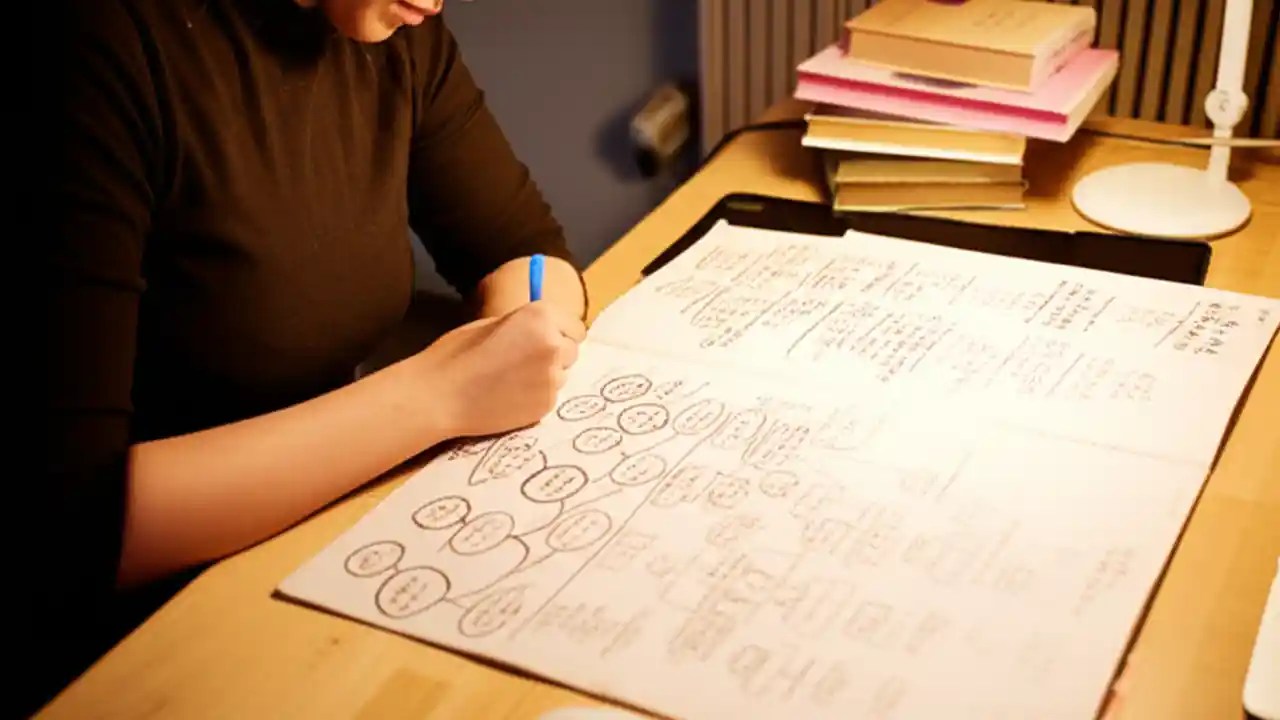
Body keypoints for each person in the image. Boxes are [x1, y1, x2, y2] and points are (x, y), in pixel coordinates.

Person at [34, 0, 587, 712]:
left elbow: (522, 246)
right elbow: (68, 528)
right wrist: (439, 396)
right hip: (120, 645)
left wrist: (528, 330)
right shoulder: (99, 50)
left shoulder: (392, 24)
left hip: (310, 544)